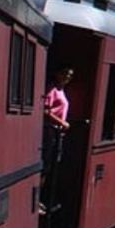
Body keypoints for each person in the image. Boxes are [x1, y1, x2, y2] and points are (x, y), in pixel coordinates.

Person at [41, 67, 74, 213]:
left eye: (70, 75)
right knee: (46, 165)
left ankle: (44, 198)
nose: (67, 77)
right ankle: (38, 199)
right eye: (65, 73)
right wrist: (62, 123)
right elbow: (45, 110)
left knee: (52, 165)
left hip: (56, 131)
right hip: (50, 129)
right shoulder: (52, 89)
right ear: (57, 73)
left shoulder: (61, 90)